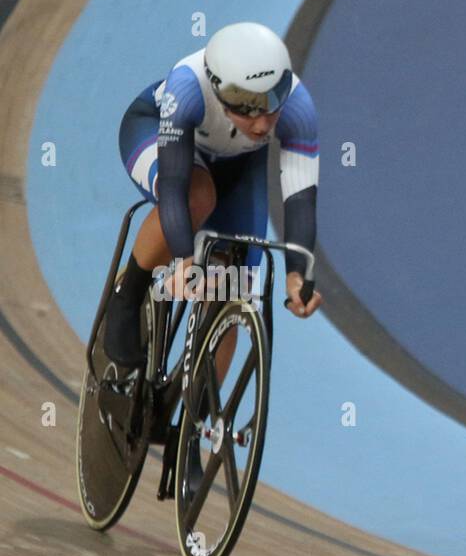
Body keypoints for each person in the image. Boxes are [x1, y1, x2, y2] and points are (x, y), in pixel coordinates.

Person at [107, 20, 322, 376]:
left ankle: (197, 425)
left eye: (272, 103)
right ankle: (127, 298)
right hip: (157, 133)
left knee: (232, 288)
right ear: (218, 90)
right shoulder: (188, 86)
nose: (262, 123)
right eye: (247, 107)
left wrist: (298, 274)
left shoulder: (299, 108)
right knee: (197, 195)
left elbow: (300, 197)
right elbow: (175, 185)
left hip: (238, 164)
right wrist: (183, 258)